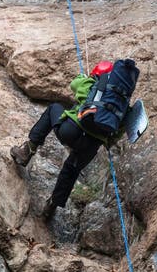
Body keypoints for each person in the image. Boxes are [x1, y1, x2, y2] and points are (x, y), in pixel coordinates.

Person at [10, 61, 117, 222]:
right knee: (72, 169)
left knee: (53, 108)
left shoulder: (93, 86)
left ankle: (28, 150)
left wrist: (86, 78)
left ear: (97, 75)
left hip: (71, 130)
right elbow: (116, 134)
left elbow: (74, 85)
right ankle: (51, 206)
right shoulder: (119, 106)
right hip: (90, 146)